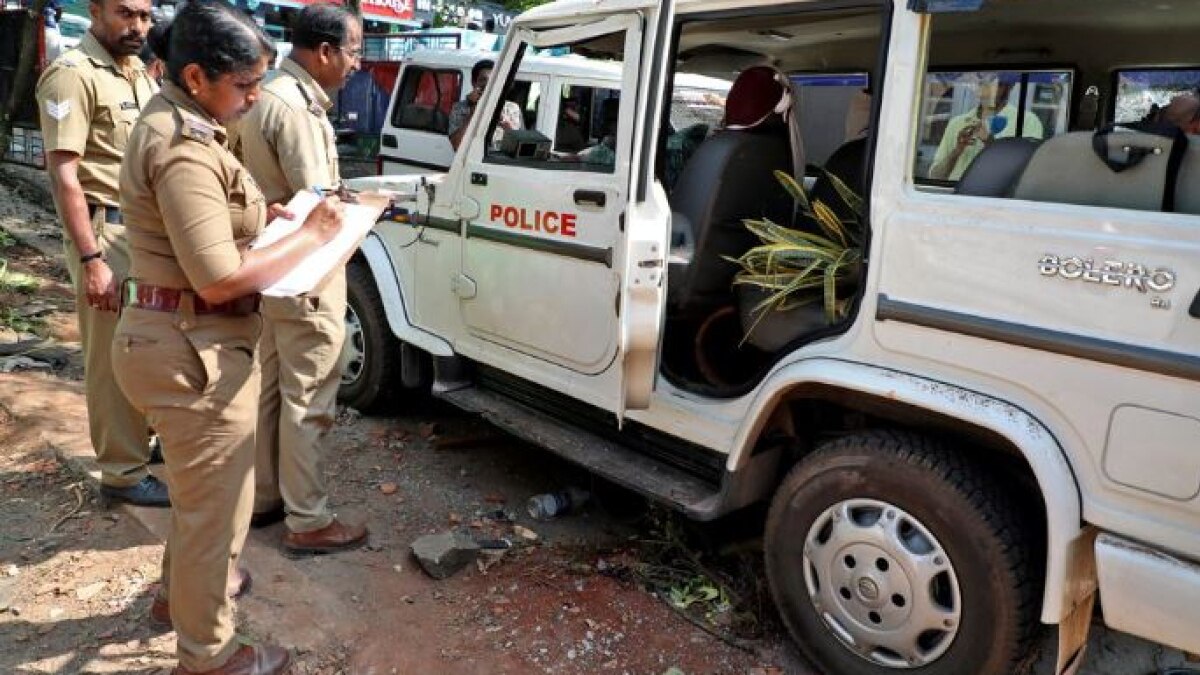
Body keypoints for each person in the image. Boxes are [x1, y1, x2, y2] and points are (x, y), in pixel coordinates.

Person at [111, 2, 345, 672]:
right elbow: (216, 279)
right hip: (192, 348)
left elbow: (207, 231)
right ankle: (210, 653)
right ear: (195, 74)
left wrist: (260, 221)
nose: (251, 100)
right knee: (219, 509)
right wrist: (308, 235)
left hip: (180, 339)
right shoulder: (182, 144)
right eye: (243, 86)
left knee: (198, 494)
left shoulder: (187, 121)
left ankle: (173, 599)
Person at [235, 2, 369, 554]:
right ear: (325, 52)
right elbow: (319, 205)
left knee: (270, 389)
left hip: (272, 269)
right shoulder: (296, 109)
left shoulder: (268, 94)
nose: (358, 64)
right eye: (356, 52)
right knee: (309, 395)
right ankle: (308, 519)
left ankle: (265, 498)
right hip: (306, 274)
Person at [35, 0, 168, 508]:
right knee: (114, 354)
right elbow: (64, 174)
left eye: (146, 16)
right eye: (125, 14)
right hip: (106, 234)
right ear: (94, 10)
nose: (138, 26)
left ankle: (142, 443)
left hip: (145, 232)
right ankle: (121, 471)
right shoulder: (72, 75)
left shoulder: (137, 72)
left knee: (149, 346)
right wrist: (92, 261)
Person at [928, 77, 1044, 181]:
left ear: (1009, 86)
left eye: (992, 80)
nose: (983, 84)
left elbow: (1027, 177)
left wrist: (989, 142)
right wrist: (957, 151)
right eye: (980, 79)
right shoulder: (957, 123)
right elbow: (935, 177)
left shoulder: (1027, 122)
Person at [448, 58, 522, 150]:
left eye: (493, 80)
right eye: (483, 80)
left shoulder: (511, 108)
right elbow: (456, 145)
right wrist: (473, 113)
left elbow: (518, 145)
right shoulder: (459, 108)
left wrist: (504, 121)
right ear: (474, 82)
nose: (488, 85)